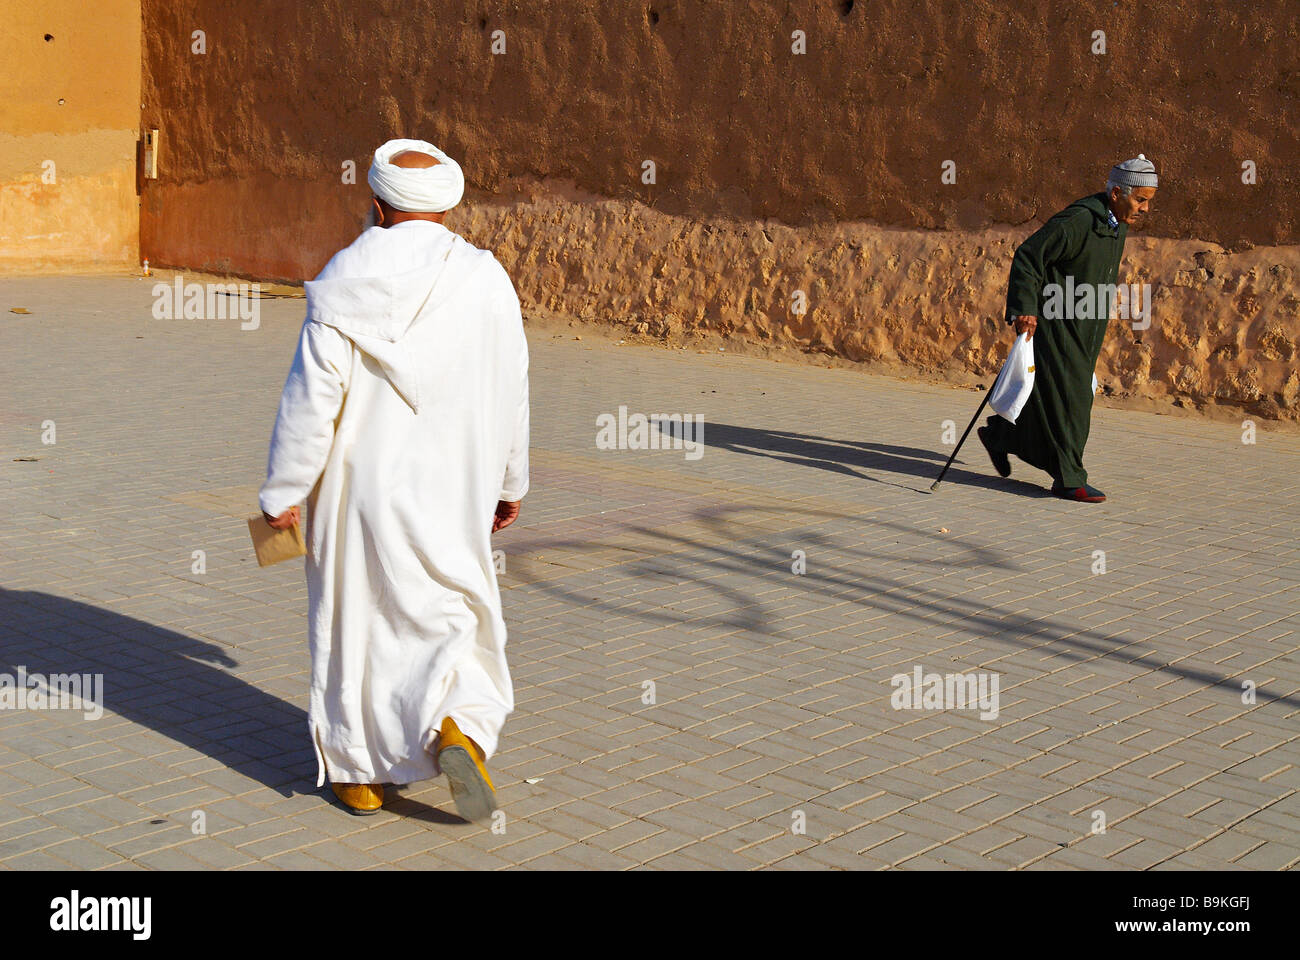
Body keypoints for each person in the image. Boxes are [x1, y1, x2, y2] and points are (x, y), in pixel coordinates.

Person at [258, 139, 530, 820]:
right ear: (446, 202)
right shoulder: (487, 278)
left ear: (376, 202)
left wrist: (283, 492)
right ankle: (457, 724)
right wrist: (510, 478)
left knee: (362, 622)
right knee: (448, 611)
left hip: (359, 491)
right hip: (455, 481)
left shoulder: (344, 277)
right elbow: (513, 384)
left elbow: (311, 401)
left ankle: (358, 774)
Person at [978, 155, 1158, 502]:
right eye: (1141, 200)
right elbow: (1030, 256)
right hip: (1057, 322)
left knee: (1058, 397)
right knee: (1072, 401)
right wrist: (1025, 309)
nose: (1146, 209)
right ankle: (1069, 478)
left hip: (1087, 324)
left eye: (1149, 201)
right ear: (1118, 192)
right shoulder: (1078, 221)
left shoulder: (1117, 225)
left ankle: (1002, 435)